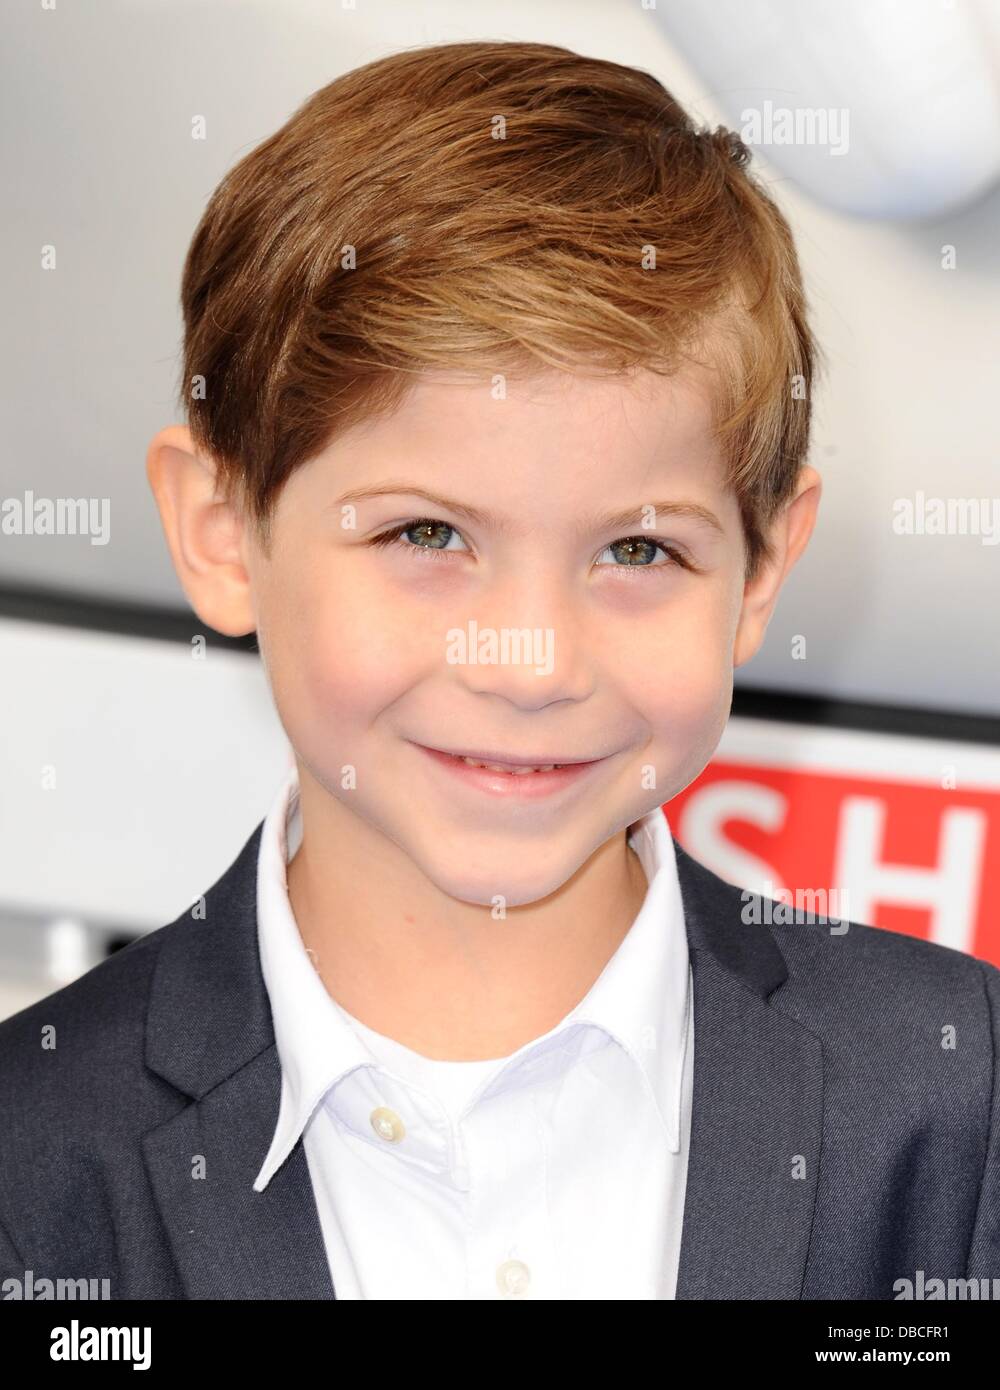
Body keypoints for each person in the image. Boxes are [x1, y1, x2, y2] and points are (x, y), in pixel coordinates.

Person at [1, 41, 997, 1301]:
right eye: (427, 535)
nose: (531, 664)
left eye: (637, 550)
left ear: (759, 571)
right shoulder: (30, 1161)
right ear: (220, 531)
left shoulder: (961, 1104)